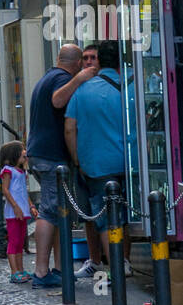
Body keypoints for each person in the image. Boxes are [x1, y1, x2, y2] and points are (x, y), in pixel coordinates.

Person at [27, 43, 94, 287]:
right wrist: (80, 79)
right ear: (77, 64)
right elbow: (58, 101)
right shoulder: (61, 80)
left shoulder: (47, 77)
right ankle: (42, 272)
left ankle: (58, 268)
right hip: (50, 157)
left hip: (40, 154)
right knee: (49, 211)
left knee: (57, 212)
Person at [64, 38, 131, 274]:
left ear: (99, 60)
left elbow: (70, 128)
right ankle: (125, 261)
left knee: (103, 217)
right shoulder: (134, 83)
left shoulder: (83, 90)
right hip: (131, 162)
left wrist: (76, 159)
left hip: (97, 164)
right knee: (126, 215)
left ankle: (116, 265)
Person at [68, 42, 104, 279]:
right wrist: (77, 160)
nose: (89, 61)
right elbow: (70, 128)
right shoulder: (78, 90)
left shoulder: (111, 86)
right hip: (85, 161)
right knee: (88, 216)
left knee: (110, 216)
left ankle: (119, 262)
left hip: (105, 160)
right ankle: (95, 260)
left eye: (93, 58)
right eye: (85, 58)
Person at [0, 140, 38, 283]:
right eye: (22, 155)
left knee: (20, 242)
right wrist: (15, 206)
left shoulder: (22, 172)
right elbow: (5, 189)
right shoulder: (8, 171)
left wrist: (31, 206)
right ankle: (14, 271)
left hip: (23, 210)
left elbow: (24, 192)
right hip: (13, 212)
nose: (24, 157)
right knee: (14, 241)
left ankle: (21, 269)